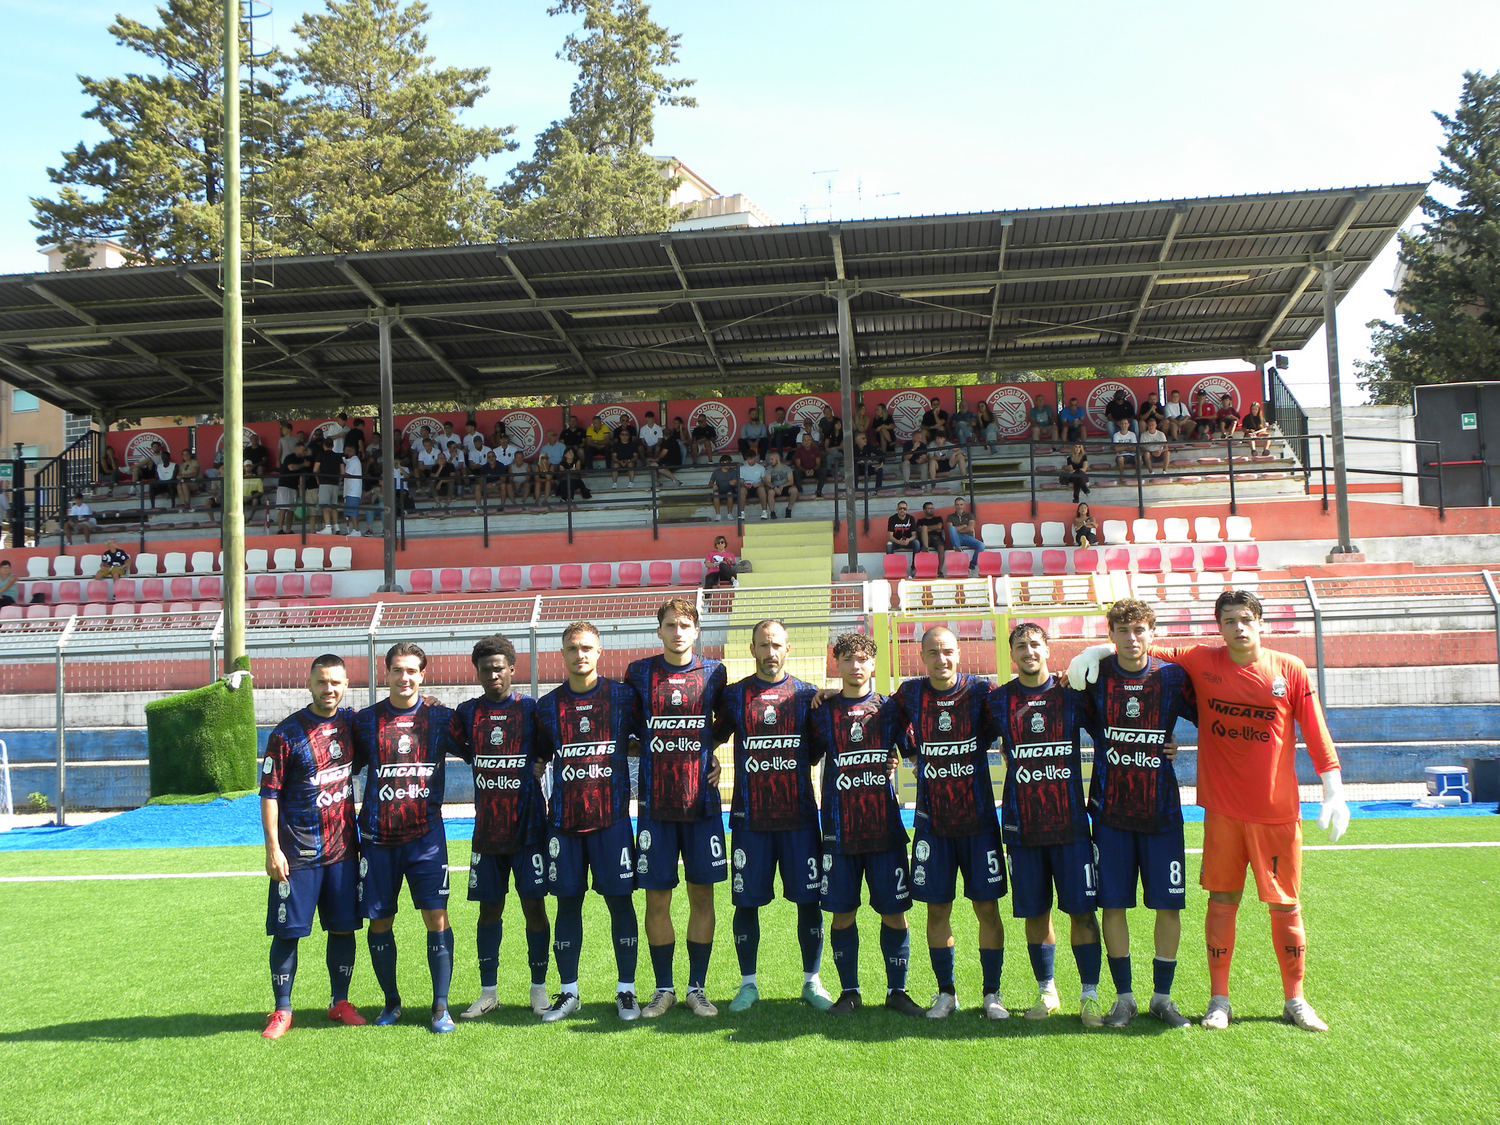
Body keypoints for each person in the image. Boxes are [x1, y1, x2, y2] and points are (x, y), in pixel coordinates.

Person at [1067, 589, 1349, 1032]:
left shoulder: (1288, 669)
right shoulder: (1198, 662)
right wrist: (1095, 649)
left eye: (1245, 619)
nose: (1238, 628)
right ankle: (1219, 1000)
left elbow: (1315, 730)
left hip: (1274, 811)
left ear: (1260, 623)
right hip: (1216, 811)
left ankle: (1296, 1000)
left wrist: (1333, 786)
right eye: (1229, 620)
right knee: (1221, 901)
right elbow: (1137, 647)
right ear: (1217, 626)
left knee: (1285, 906)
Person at [1081, 599, 1198, 1029]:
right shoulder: (1096, 677)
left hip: (1161, 813)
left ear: (1152, 634)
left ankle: (1162, 998)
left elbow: (1210, 715)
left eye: (1140, 630)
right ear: (1109, 634)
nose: (1132, 639)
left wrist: (1175, 746)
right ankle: (1124, 998)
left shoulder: (1171, 678)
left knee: (1168, 907)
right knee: (1113, 905)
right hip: (1110, 814)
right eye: (1123, 630)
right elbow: (1052, 703)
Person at [887, 626, 1007, 1018]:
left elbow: (1007, 724)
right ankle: (946, 993)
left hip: (978, 823)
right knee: (937, 911)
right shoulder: (911, 693)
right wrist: (906, 751)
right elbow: (878, 716)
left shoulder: (981, 691)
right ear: (921, 657)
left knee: (986, 909)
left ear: (960, 653)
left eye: (948, 651)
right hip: (932, 826)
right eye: (933, 653)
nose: (942, 659)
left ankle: (992, 995)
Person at [713, 619, 832, 1013]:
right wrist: (706, 757)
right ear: (752, 650)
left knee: (809, 902)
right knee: (746, 904)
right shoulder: (734, 696)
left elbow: (819, 747)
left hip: (798, 819)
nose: (770, 652)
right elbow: (709, 734)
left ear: (788, 648)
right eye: (763, 645)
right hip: (751, 821)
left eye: (776, 644)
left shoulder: (807, 696)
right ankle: (748, 984)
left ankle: (812, 981)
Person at [805, 632, 926, 1017]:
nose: (855, 666)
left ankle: (897, 990)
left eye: (862, 659)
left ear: (872, 665)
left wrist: (894, 759)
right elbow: (804, 756)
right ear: (836, 665)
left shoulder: (890, 710)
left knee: (894, 912)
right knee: (843, 913)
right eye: (847, 659)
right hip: (839, 834)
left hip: (884, 831)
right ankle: (850, 991)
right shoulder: (821, 711)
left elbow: (913, 750)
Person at [989, 622, 1102, 1025]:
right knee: (1036, 914)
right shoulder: (998, 701)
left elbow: (1114, 730)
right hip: (1023, 829)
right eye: (1020, 646)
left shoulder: (1070, 696)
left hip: (1070, 826)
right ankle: (1047, 992)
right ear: (1012, 654)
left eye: (1035, 644)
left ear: (1048, 649)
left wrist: (1165, 744)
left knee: (1083, 912)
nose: (1028, 651)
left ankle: (1089, 996)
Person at [533, 622, 643, 1022]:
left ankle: (627, 991)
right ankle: (569, 992)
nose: (580, 655)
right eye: (572, 648)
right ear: (562, 655)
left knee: (620, 903)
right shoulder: (546, 707)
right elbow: (538, 754)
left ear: (599, 652)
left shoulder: (623, 697)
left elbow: (653, 735)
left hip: (611, 820)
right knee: (567, 905)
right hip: (563, 823)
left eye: (587, 648)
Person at [627, 599, 729, 1018]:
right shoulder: (639, 673)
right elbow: (627, 723)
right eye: (670, 625)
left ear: (697, 630)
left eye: (685, 625)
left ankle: (696, 988)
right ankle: (663, 988)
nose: (678, 632)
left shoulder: (714, 673)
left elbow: (728, 719)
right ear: (659, 631)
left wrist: (713, 749)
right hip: (656, 804)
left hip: (701, 805)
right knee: (657, 900)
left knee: (702, 895)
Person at [351, 642, 457, 1033]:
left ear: (422, 675)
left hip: (426, 838)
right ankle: (391, 1003)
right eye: (397, 670)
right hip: (377, 840)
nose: (404, 677)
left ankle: (440, 1006)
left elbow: (479, 749)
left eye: (412, 670)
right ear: (386, 673)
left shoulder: (441, 719)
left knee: (437, 917)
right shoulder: (364, 721)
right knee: (380, 921)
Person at [259, 653, 366, 1039]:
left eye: (336, 682)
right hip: (298, 855)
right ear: (309, 683)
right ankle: (282, 1010)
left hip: (342, 852)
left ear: (346, 685)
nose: (329, 689)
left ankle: (340, 1002)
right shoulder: (286, 734)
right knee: (288, 932)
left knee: (343, 929)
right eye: (322, 682)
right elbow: (269, 794)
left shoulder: (352, 725)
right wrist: (273, 849)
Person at [448, 635, 553, 1019]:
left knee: (534, 908)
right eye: (485, 668)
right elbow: (458, 745)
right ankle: (488, 991)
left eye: (499, 667)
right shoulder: (467, 714)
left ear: (512, 669)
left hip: (529, 831)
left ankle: (538, 987)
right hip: (487, 833)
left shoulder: (531, 710)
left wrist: (540, 760)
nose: (493, 674)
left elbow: (552, 742)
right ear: (476, 672)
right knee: (489, 911)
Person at [275, 442, 311, 533]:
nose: (304, 452)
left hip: (294, 487)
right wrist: (304, 465)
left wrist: (300, 492)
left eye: (305, 450)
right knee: (283, 508)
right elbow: (291, 467)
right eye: (303, 450)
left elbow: (301, 477)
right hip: (285, 485)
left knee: (291, 510)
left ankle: (288, 530)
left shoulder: (303, 460)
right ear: (297, 449)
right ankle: (280, 529)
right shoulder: (289, 457)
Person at [946, 496, 984, 573]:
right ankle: (958, 548)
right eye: (957, 504)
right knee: (952, 529)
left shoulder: (970, 515)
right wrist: (963, 526)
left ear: (964, 505)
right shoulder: (950, 517)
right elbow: (950, 529)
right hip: (956, 538)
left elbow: (970, 528)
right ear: (954, 505)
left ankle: (972, 565)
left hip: (967, 538)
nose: (959, 506)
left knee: (981, 545)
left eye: (961, 504)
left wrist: (957, 530)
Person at [313, 438, 344, 534]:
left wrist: (318, 479)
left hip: (324, 482)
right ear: (333, 445)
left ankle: (328, 527)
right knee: (333, 506)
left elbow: (315, 469)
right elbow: (343, 472)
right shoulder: (338, 456)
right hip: (335, 483)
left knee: (325, 505)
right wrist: (337, 480)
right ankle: (337, 527)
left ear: (323, 445)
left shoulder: (320, 455)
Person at [764, 450, 798, 519]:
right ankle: (772, 512)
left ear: (777, 459)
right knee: (770, 492)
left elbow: (791, 481)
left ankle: (789, 509)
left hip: (785, 487)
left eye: (772, 459)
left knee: (794, 490)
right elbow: (767, 481)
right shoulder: (769, 469)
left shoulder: (786, 468)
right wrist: (775, 488)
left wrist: (782, 486)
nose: (770, 461)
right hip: (774, 487)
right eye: (770, 459)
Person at [791, 432, 826, 499]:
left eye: (809, 440)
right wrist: (805, 470)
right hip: (803, 471)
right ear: (802, 441)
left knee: (823, 471)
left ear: (811, 441)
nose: (807, 442)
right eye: (805, 440)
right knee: (796, 472)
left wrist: (813, 470)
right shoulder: (798, 451)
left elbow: (818, 463)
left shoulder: (816, 450)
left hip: (814, 470)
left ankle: (819, 490)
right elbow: (798, 464)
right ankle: (800, 491)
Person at [739, 449, 769, 520]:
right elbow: (740, 482)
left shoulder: (761, 468)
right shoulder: (742, 468)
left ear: (755, 457)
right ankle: (742, 512)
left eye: (751, 459)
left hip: (757, 487)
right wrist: (745, 485)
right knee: (742, 489)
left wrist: (758, 484)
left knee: (761, 489)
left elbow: (765, 482)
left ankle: (764, 511)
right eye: (748, 459)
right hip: (746, 487)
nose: (749, 461)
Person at [708, 455, 740, 522]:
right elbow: (710, 483)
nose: (729, 464)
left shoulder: (733, 471)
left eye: (729, 462)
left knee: (729, 493)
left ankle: (729, 514)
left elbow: (736, 482)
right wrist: (713, 485)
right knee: (716, 494)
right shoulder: (716, 472)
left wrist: (734, 483)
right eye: (727, 462)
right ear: (722, 462)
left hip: (731, 489)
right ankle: (718, 515)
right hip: (720, 490)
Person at [341, 447, 364, 537]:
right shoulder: (352, 460)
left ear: (349, 451)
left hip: (353, 490)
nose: (344, 452)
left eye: (345, 451)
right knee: (350, 511)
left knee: (353, 511)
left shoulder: (354, 461)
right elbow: (345, 460)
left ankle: (356, 530)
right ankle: (354, 530)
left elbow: (346, 473)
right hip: (350, 490)